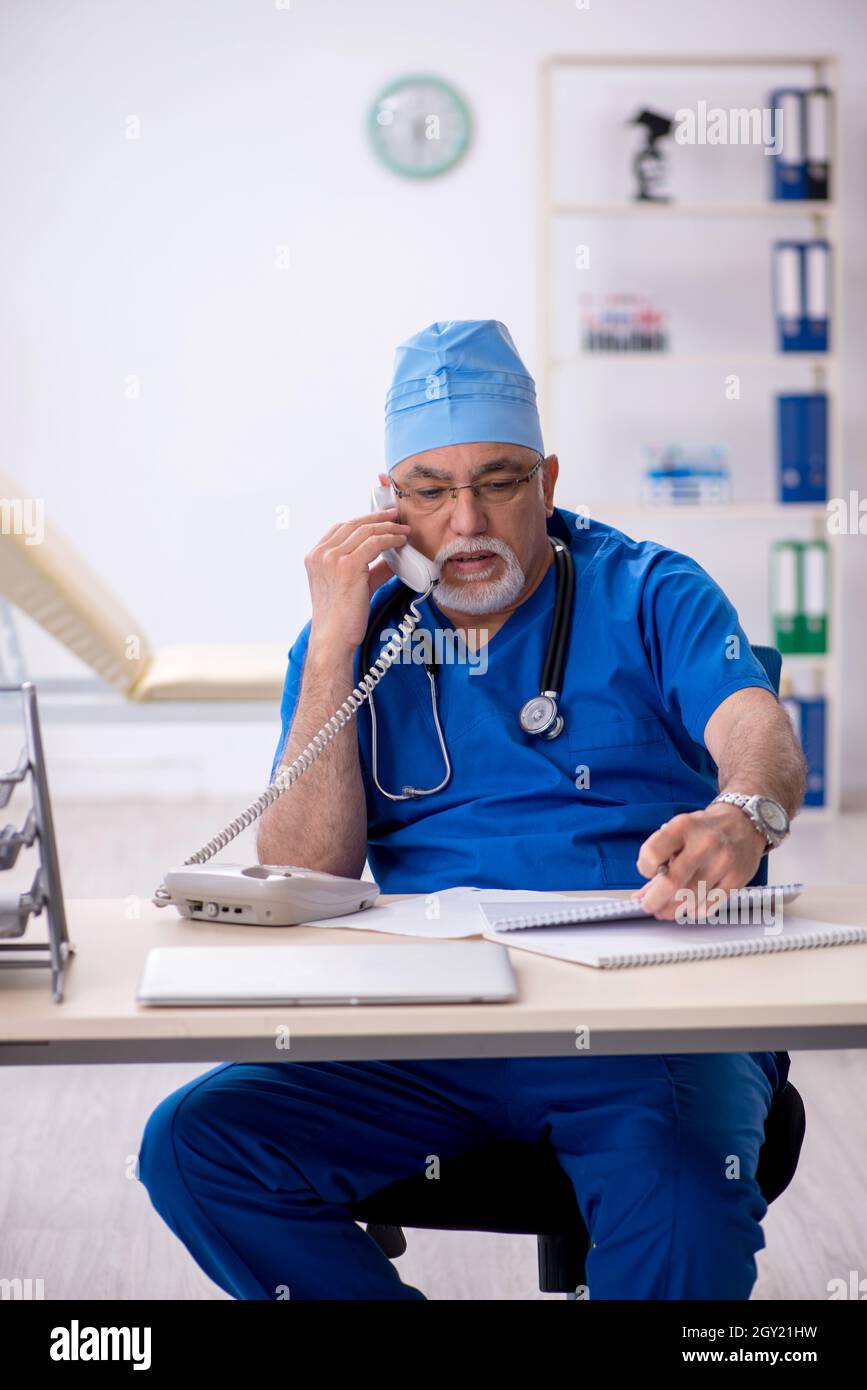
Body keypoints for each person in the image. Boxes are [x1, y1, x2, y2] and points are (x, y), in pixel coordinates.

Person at [137, 319, 806, 1300]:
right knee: (199, 1145)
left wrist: (745, 812)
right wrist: (332, 644)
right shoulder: (357, 640)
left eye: (497, 482)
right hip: (430, 1016)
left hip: (642, 1017)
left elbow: (757, 726)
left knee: (683, 1194)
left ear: (547, 479)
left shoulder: (651, 590)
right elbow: (305, 875)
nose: (466, 522)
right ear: (387, 504)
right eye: (429, 492)